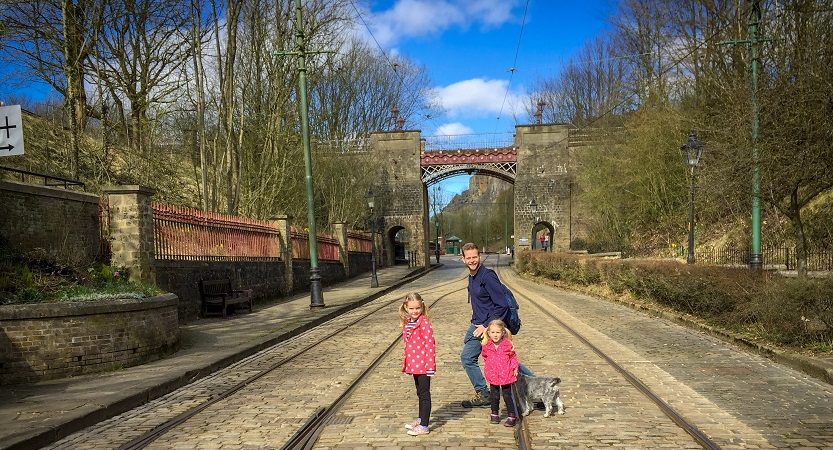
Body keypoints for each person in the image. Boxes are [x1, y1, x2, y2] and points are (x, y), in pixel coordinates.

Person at [460, 242, 534, 408]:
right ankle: (484, 393)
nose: (472, 260)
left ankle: (537, 388)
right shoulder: (473, 277)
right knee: (469, 357)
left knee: (505, 360)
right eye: (469, 258)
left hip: (490, 328)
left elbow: (501, 305)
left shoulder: (488, 276)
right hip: (478, 325)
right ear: (463, 259)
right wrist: (475, 322)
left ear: (479, 256)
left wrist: (485, 326)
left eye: (475, 257)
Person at [399, 292, 435, 436]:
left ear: (422, 307)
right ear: (406, 308)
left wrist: (430, 367)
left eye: (417, 308)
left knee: (425, 394)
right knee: (420, 393)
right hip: (415, 365)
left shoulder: (424, 323)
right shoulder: (408, 322)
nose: (415, 311)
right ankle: (421, 419)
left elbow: (430, 345)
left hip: (424, 365)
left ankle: (425, 426)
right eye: (412, 309)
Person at [481, 319, 520, 427]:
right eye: (493, 332)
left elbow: (513, 357)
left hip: (506, 374)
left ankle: (511, 415)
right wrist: (489, 365)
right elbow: (484, 356)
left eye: (498, 332)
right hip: (493, 374)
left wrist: (514, 368)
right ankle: (494, 414)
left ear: (503, 332)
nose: (495, 335)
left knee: (507, 395)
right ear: (488, 333)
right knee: (494, 396)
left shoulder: (507, 344)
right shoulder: (486, 345)